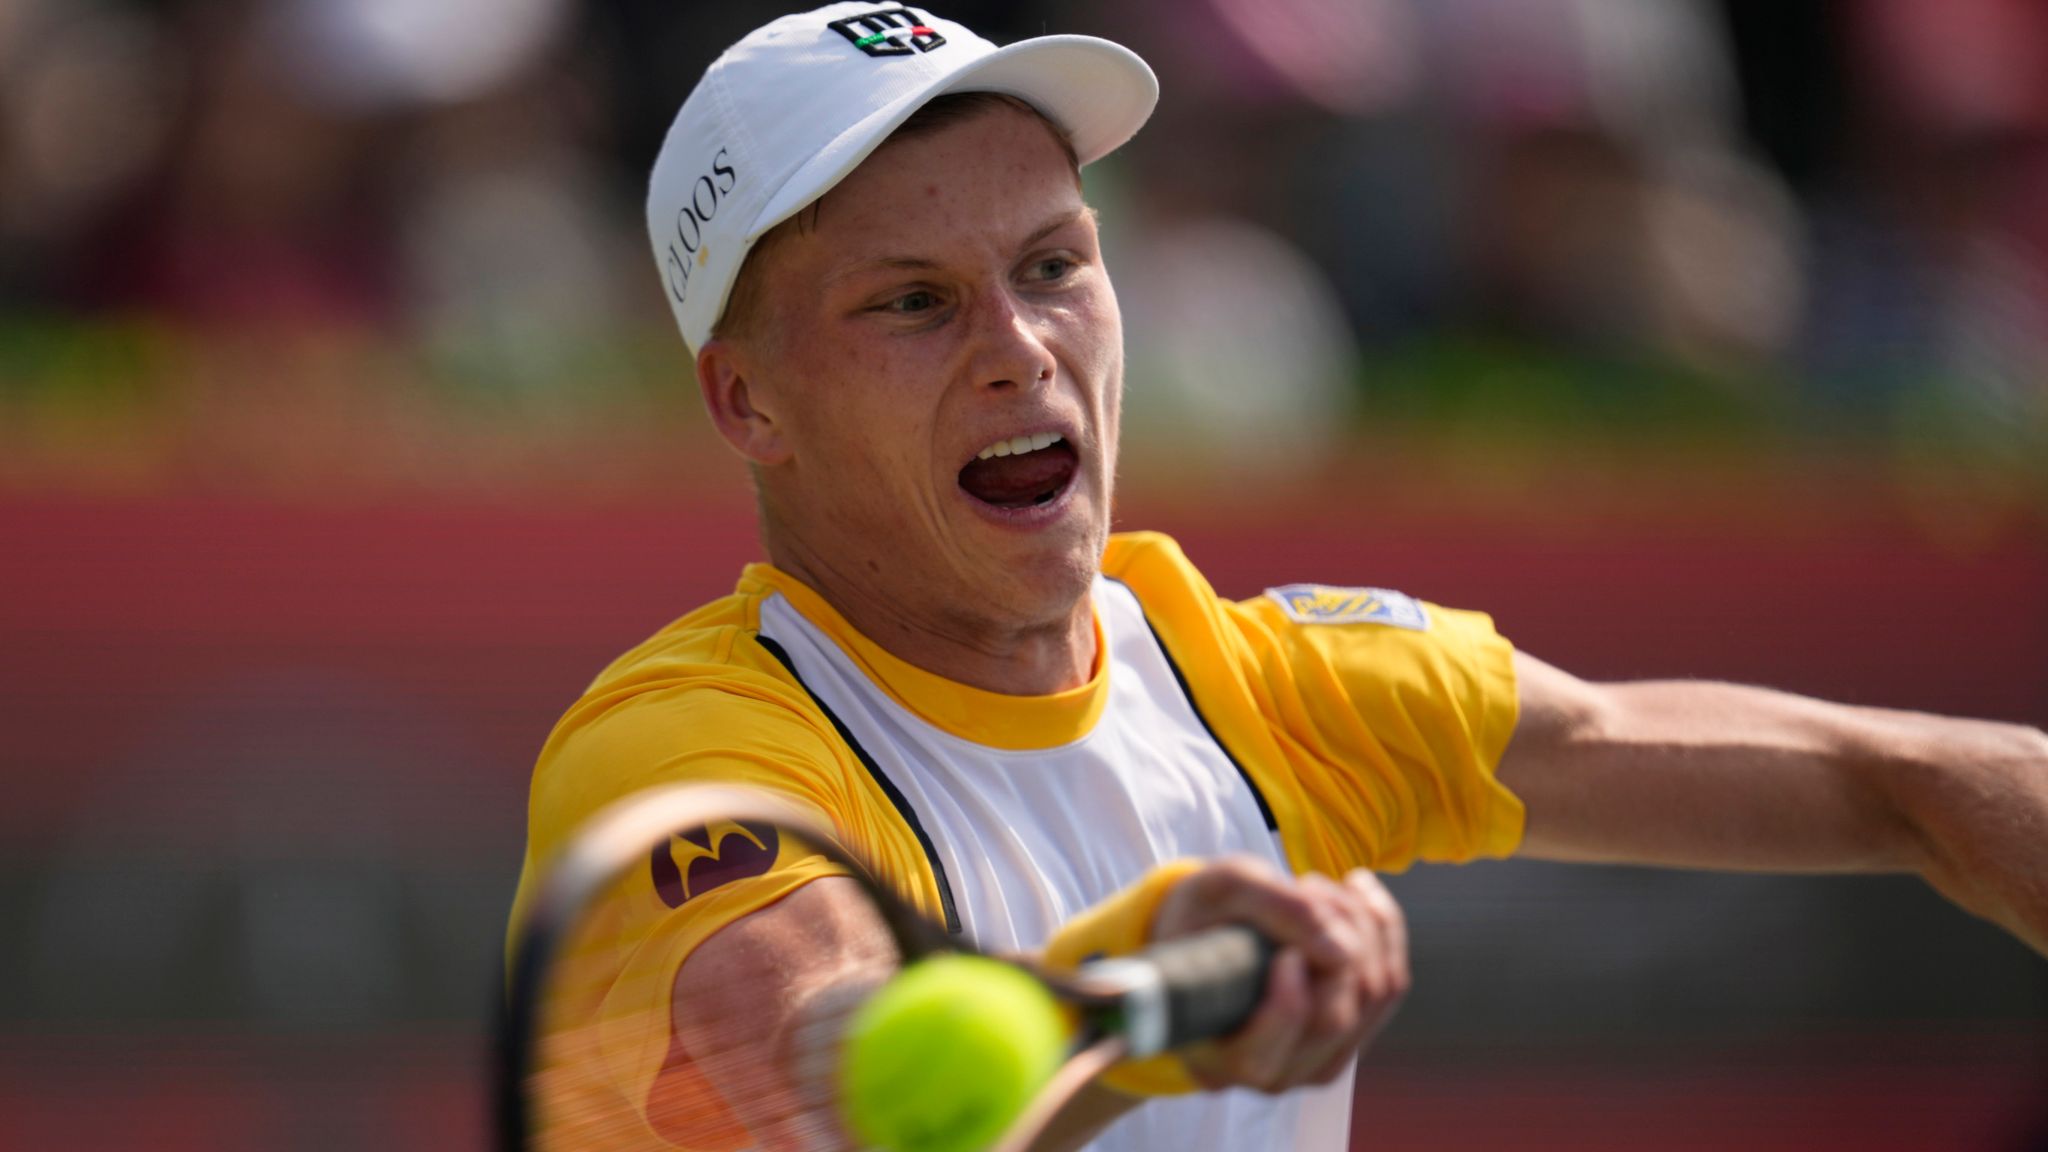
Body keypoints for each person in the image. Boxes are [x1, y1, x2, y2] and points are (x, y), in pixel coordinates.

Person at [507, 5, 2048, 1150]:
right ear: (746, 403)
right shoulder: (677, 752)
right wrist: (1124, 1000)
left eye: (1053, 266)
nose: (1019, 349)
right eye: (913, 303)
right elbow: (818, 1070)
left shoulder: (1260, 685)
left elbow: (1900, 783)